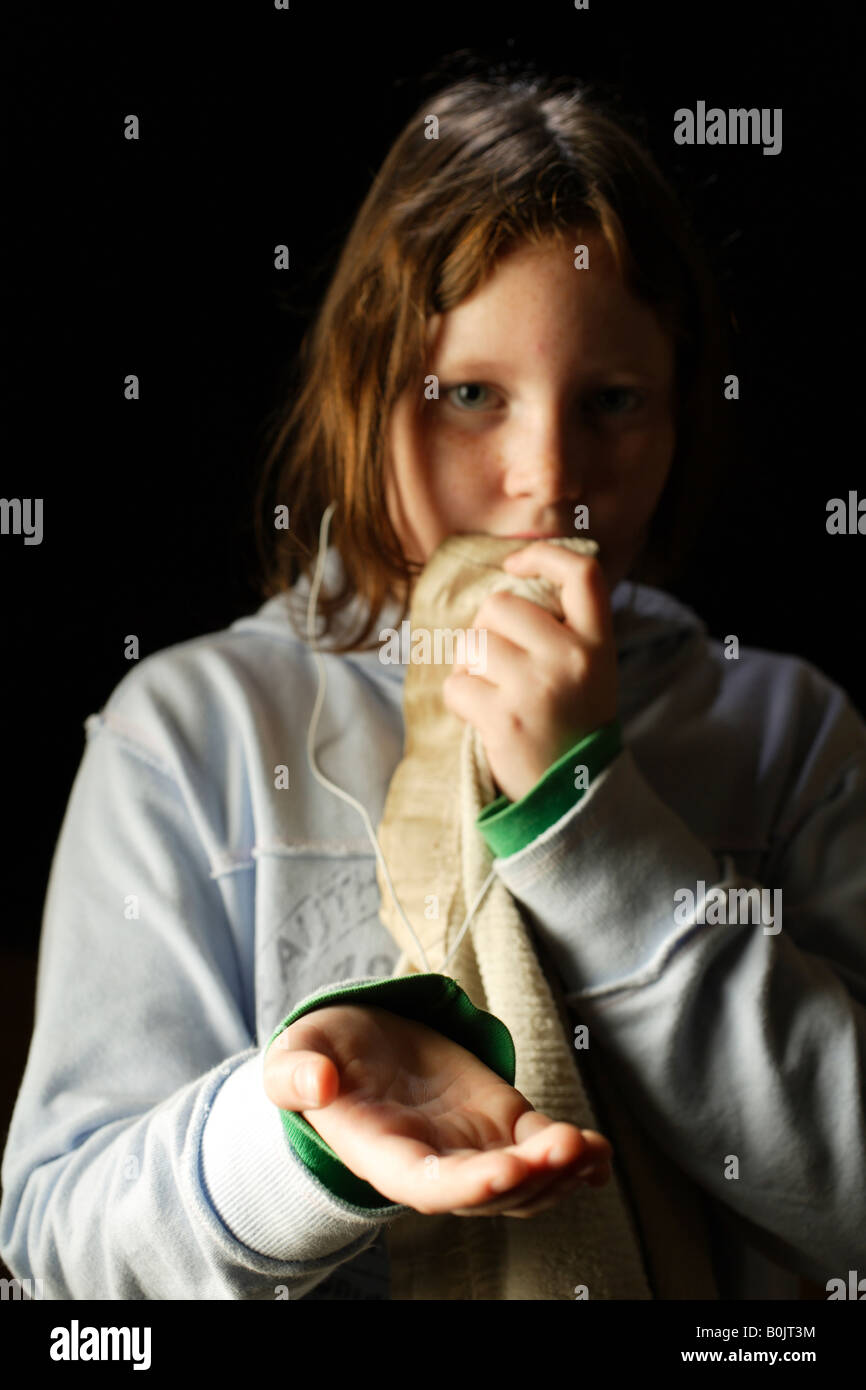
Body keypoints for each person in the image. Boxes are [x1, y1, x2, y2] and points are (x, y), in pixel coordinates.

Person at [2, 68, 864, 1301]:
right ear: (362, 393)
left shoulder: (785, 737)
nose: (547, 481)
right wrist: (301, 1136)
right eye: (468, 396)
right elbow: (63, 1247)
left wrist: (585, 815)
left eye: (613, 403)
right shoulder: (195, 736)